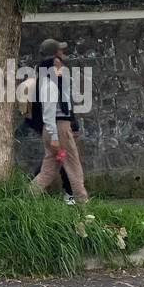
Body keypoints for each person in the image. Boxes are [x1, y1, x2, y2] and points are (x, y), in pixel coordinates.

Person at [29, 38, 89, 203]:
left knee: (48, 170)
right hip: (58, 128)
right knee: (73, 166)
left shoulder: (49, 80)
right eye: (59, 58)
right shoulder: (50, 84)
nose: (62, 61)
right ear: (54, 60)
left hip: (54, 129)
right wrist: (55, 136)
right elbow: (49, 112)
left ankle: (25, 199)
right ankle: (83, 205)